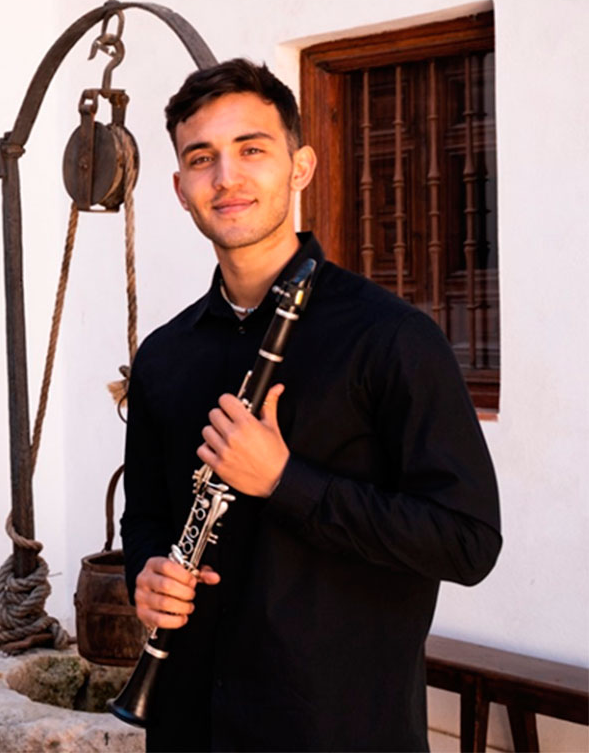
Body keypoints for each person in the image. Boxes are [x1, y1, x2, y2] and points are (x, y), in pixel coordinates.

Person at [120, 59, 501, 750]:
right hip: (187, 724)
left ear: (300, 166)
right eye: (201, 159)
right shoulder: (164, 356)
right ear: (179, 188)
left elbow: (467, 541)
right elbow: (146, 518)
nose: (226, 178)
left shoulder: (392, 338)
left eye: (252, 150)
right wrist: (144, 577)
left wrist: (285, 482)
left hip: (336, 727)